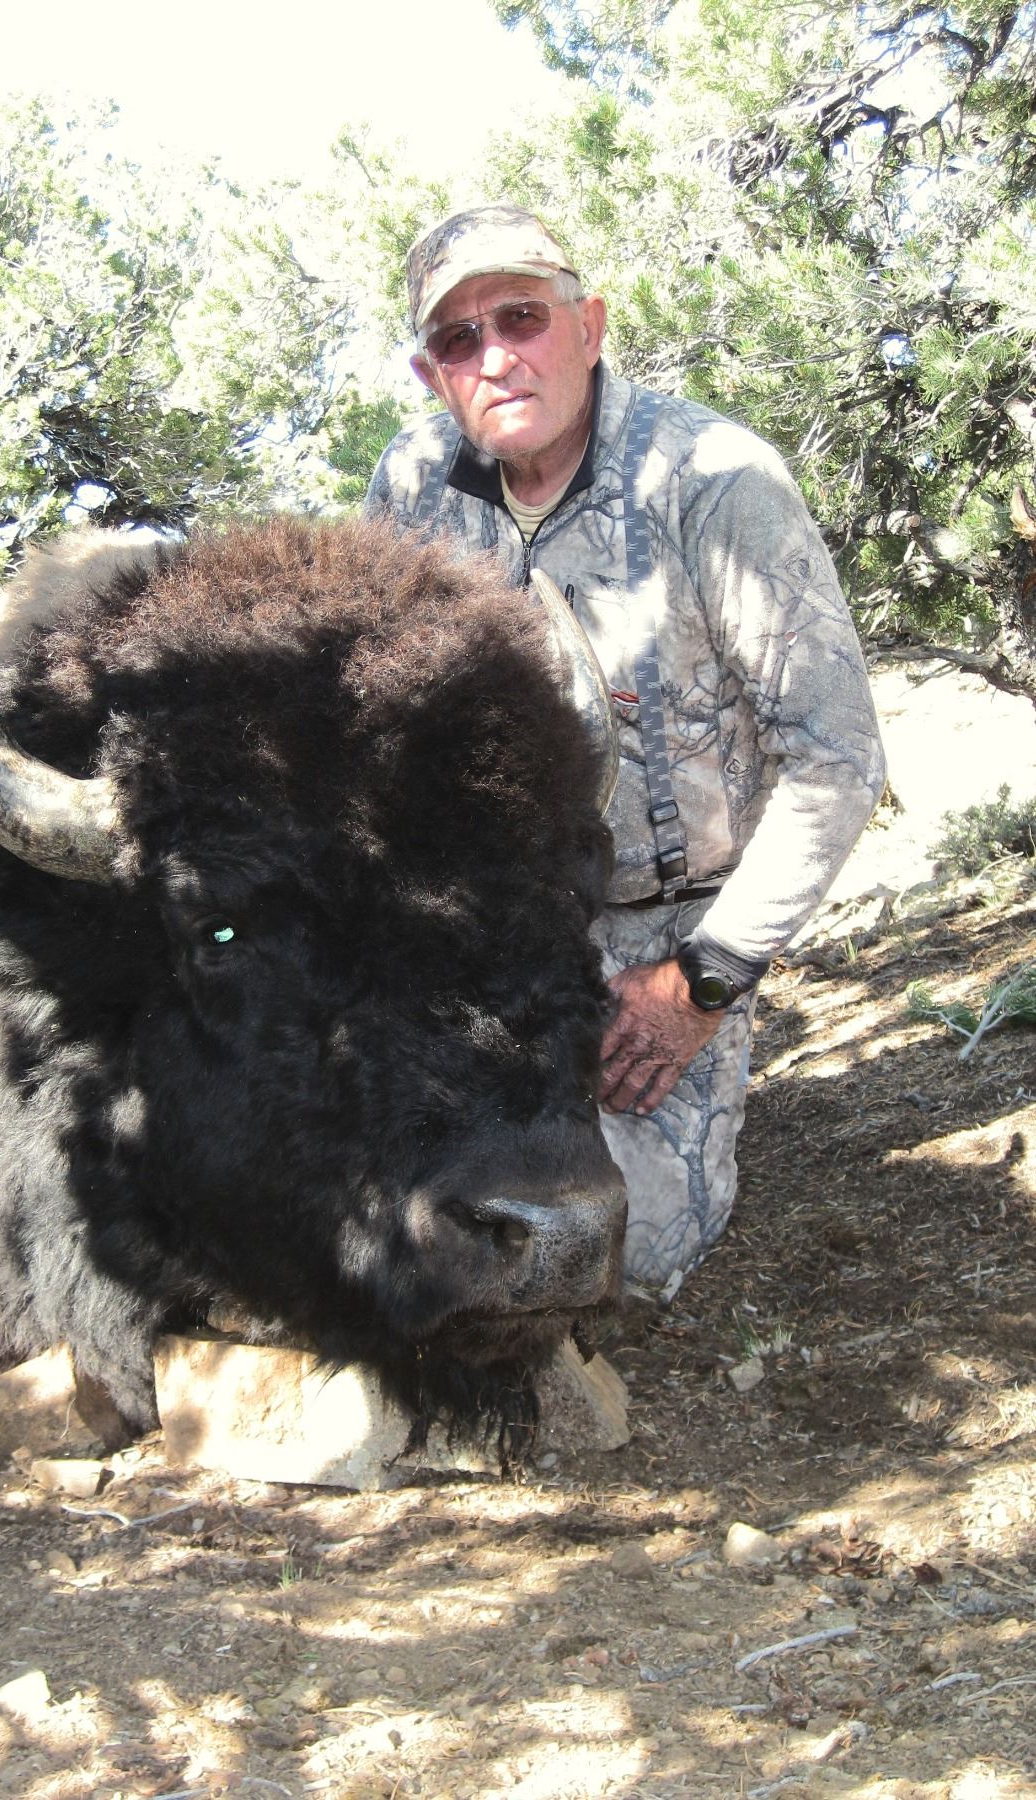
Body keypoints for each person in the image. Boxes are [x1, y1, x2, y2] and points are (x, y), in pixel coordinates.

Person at [364, 204, 886, 1297]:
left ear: (590, 325)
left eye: (523, 316)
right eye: (459, 340)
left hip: (674, 934)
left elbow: (836, 763)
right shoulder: (409, 489)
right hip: (485, 933)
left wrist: (699, 985)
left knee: (616, 1253)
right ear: (430, 374)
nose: (496, 355)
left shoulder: (715, 480)